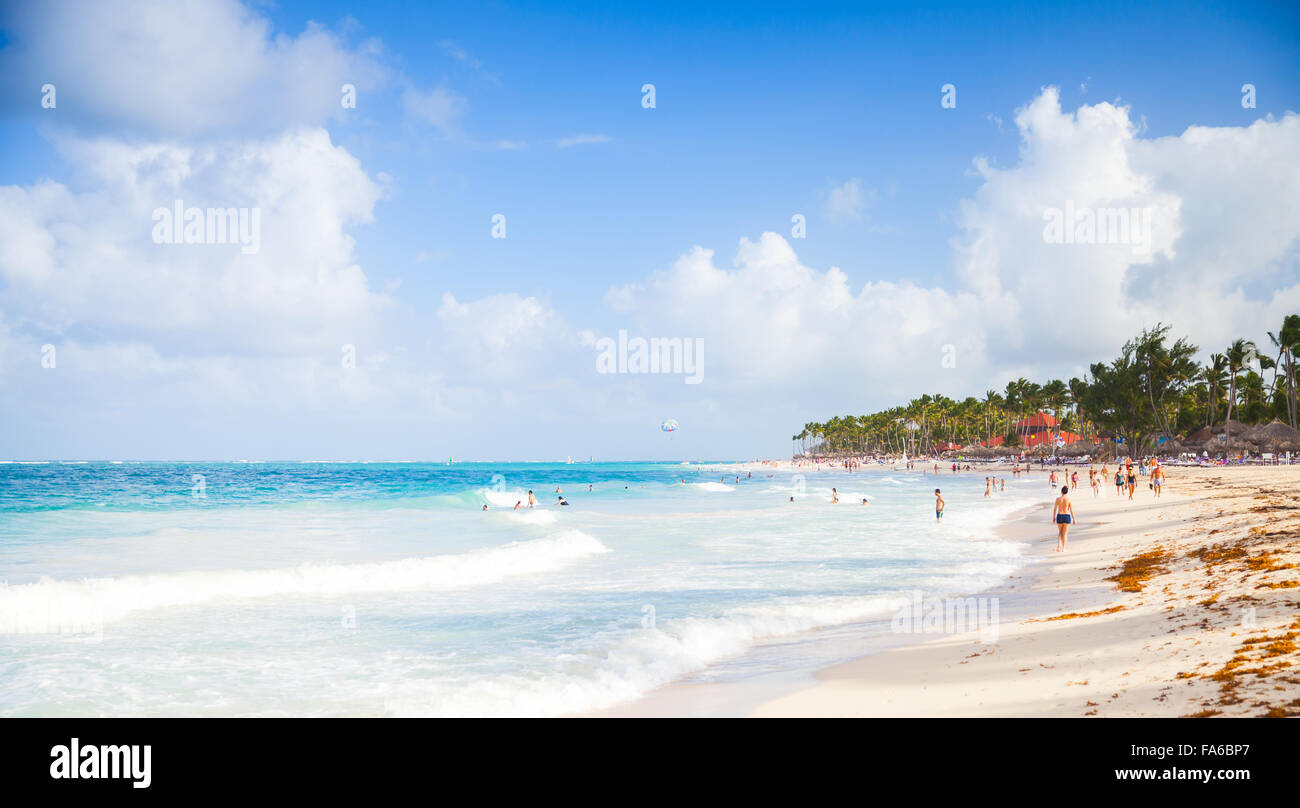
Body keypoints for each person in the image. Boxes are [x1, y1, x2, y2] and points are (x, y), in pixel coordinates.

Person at [1052, 485, 1074, 552]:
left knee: (1060, 532)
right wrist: (1073, 518)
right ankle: (1064, 548)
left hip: (1059, 515)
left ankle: (1058, 546)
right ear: (1067, 492)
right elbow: (1071, 510)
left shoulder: (1058, 499)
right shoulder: (1068, 499)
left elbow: (1055, 508)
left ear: (1061, 491)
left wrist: (1053, 517)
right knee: (1065, 533)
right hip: (1067, 516)